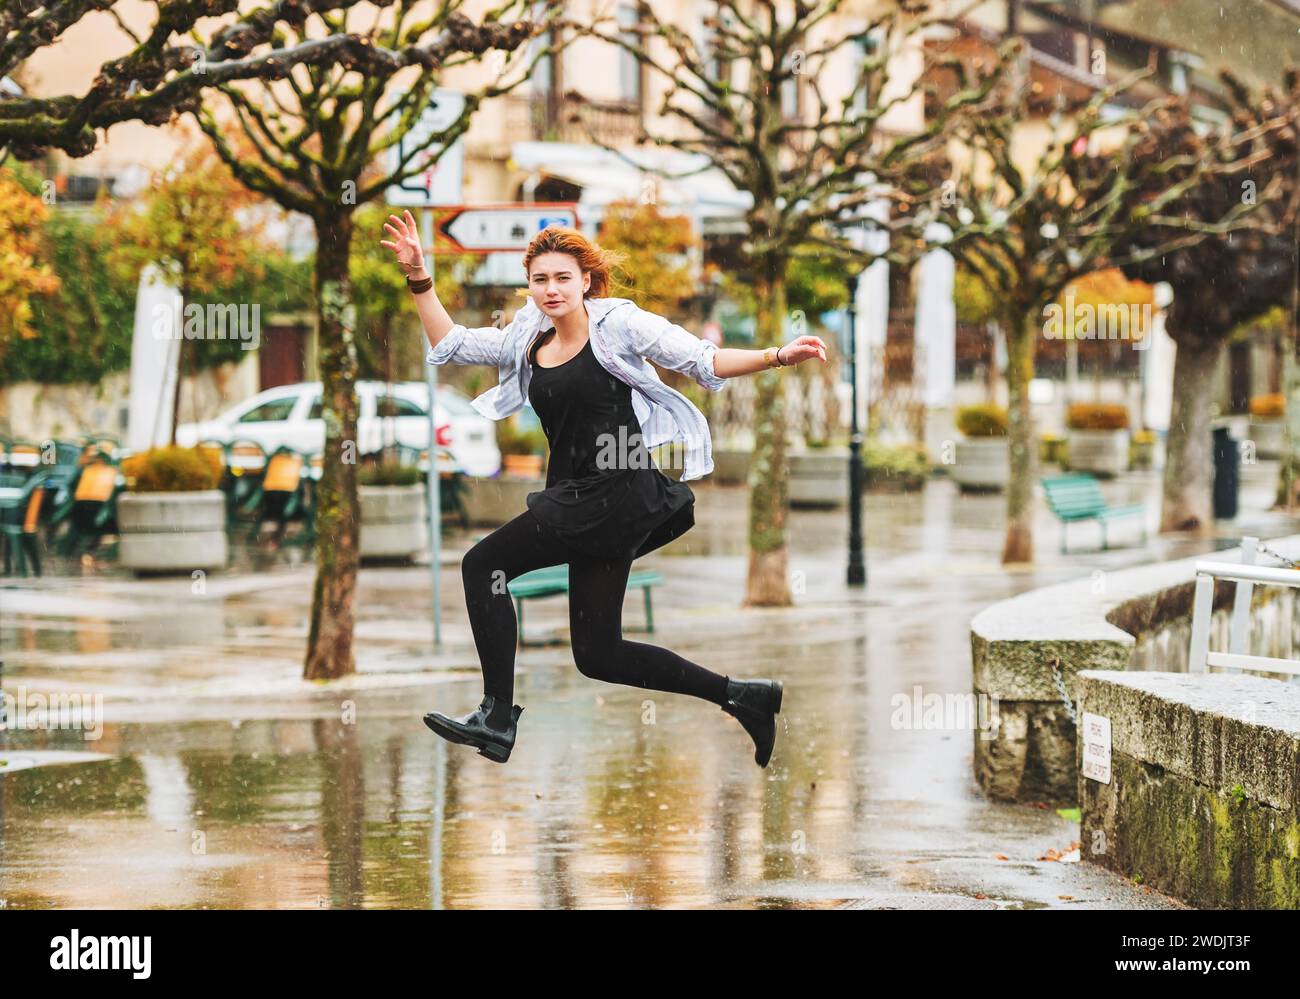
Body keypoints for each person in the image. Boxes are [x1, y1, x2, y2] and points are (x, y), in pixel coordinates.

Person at [380, 212, 828, 768]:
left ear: (585, 280)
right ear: (530, 285)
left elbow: (704, 361)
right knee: (598, 654)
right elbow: (451, 343)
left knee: (482, 565)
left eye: (563, 278)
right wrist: (420, 278)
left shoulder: (620, 325)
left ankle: (497, 715)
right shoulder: (526, 336)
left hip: (614, 491)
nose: (551, 289)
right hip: (584, 501)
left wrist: (778, 355)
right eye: (540, 279)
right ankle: (743, 697)